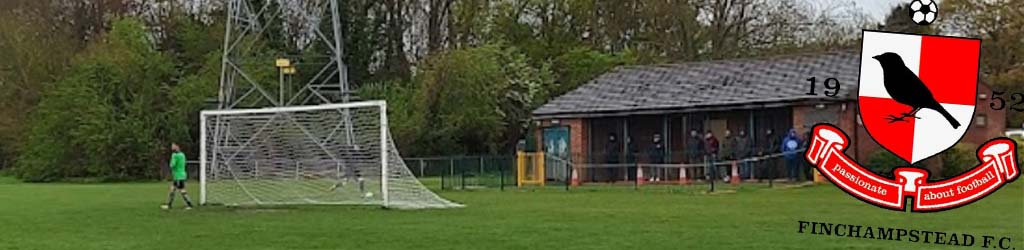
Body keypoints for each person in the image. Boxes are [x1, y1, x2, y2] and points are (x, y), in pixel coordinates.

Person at [162, 143, 194, 210]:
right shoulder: (182, 154)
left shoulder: (175, 155)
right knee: (173, 190)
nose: (172, 147)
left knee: (181, 190)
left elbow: (172, 165)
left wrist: (172, 160)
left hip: (178, 176)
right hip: (182, 174)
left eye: (173, 146)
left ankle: (189, 205)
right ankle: (169, 205)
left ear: (177, 146)